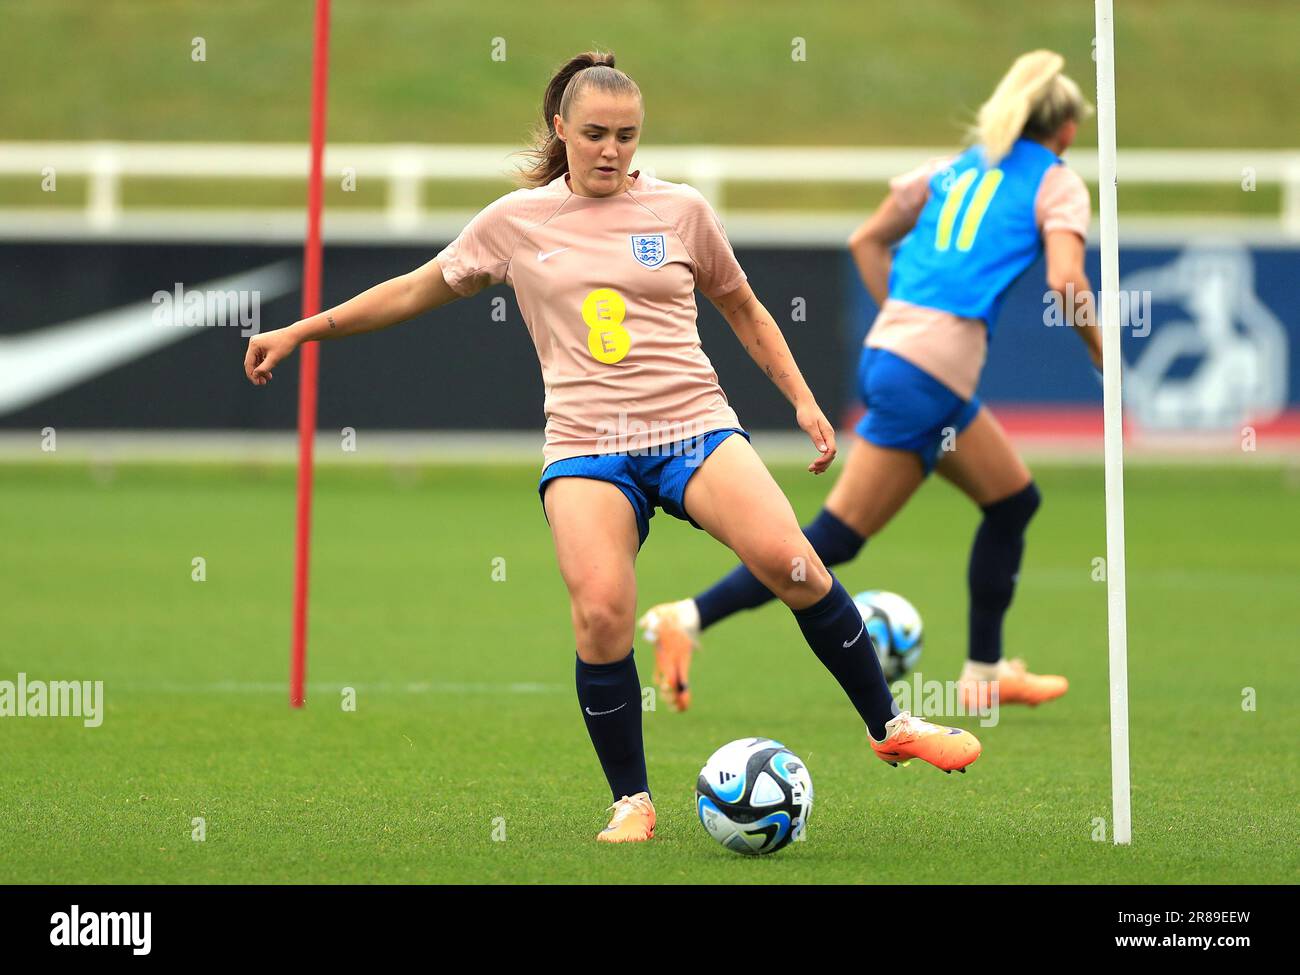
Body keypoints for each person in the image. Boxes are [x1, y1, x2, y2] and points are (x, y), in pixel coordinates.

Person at [244, 51, 980, 845]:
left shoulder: (682, 211)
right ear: (560, 129)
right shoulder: (516, 221)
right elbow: (417, 286)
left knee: (793, 562)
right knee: (601, 614)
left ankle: (890, 722)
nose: (610, 150)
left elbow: (744, 306)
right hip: (589, 445)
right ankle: (632, 800)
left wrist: (801, 399)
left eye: (626, 135)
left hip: (693, 427)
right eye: (593, 133)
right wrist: (304, 328)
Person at [641, 50, 1100, 716]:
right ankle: (686, 616)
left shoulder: (954, 168)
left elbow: (866, 239)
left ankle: (984, 671)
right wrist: (1101, 354)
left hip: (904, 360)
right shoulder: (1057, 180)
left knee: (1012, 500)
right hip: (928, 373)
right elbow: (1066, 281)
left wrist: (900, 319)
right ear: (1067, 132)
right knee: (834, 538)